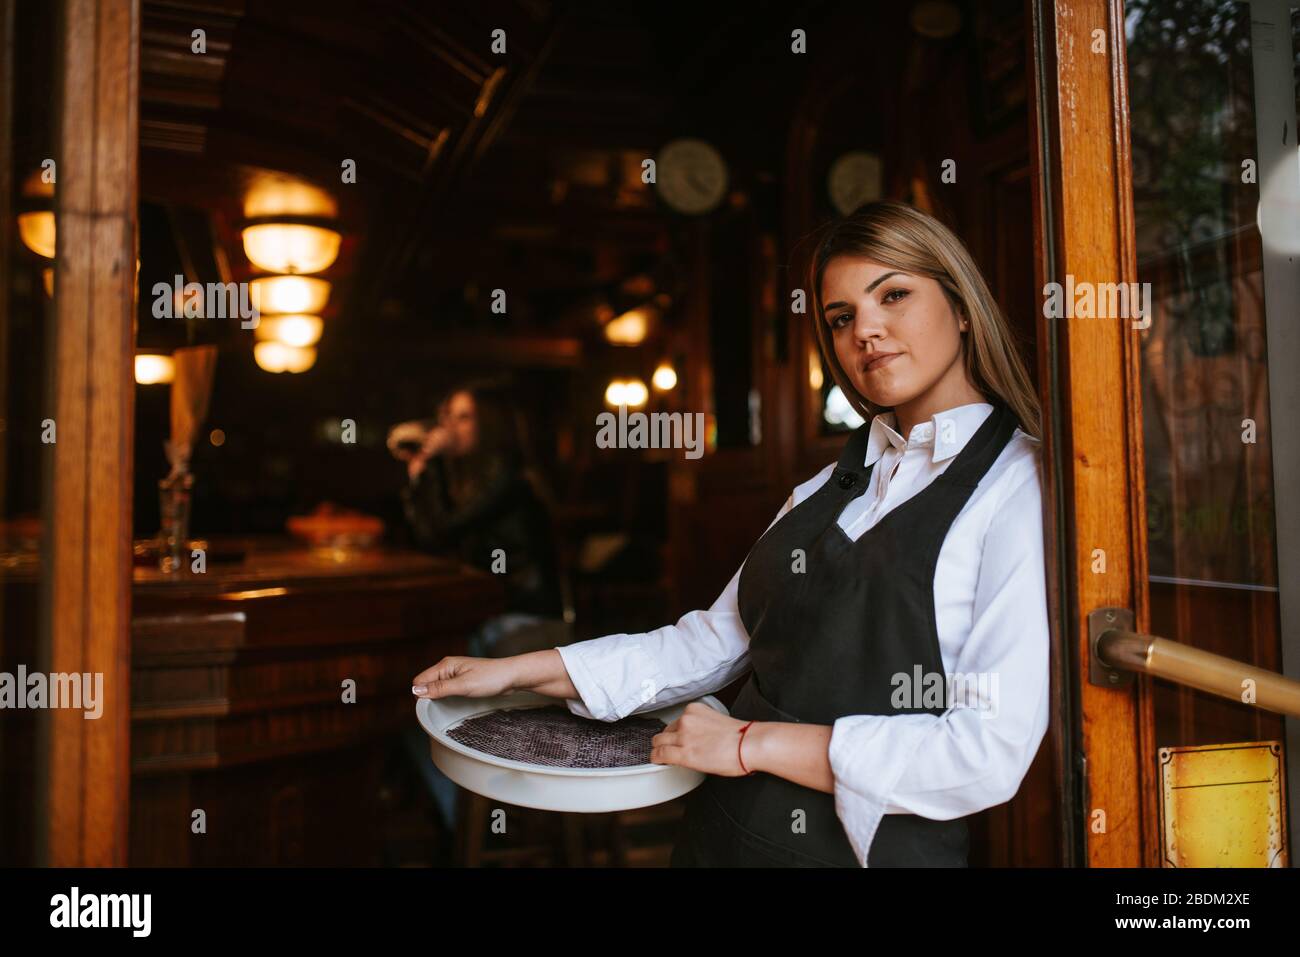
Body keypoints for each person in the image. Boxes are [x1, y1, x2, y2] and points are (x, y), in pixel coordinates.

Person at [411, 200, 1050, 867]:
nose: (867, 330)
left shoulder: (1018, 487)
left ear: (963, 307)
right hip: (724, 832)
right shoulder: (828, 483)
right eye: (841, 317)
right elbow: (714, 642)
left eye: (894, 294)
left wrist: (748, 742)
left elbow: (985, 753)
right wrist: (517, 670)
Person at [389, 382, 566, 655]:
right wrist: (420, 473)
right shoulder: (469, 478)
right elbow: (429, 539)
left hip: (525, 617)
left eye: (464, 417)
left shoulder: (508, 477)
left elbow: (440, 535)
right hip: (487, 609)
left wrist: (430, 467)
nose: (450, 427)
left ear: (490, 423)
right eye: (447, 417)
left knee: (433, 649)